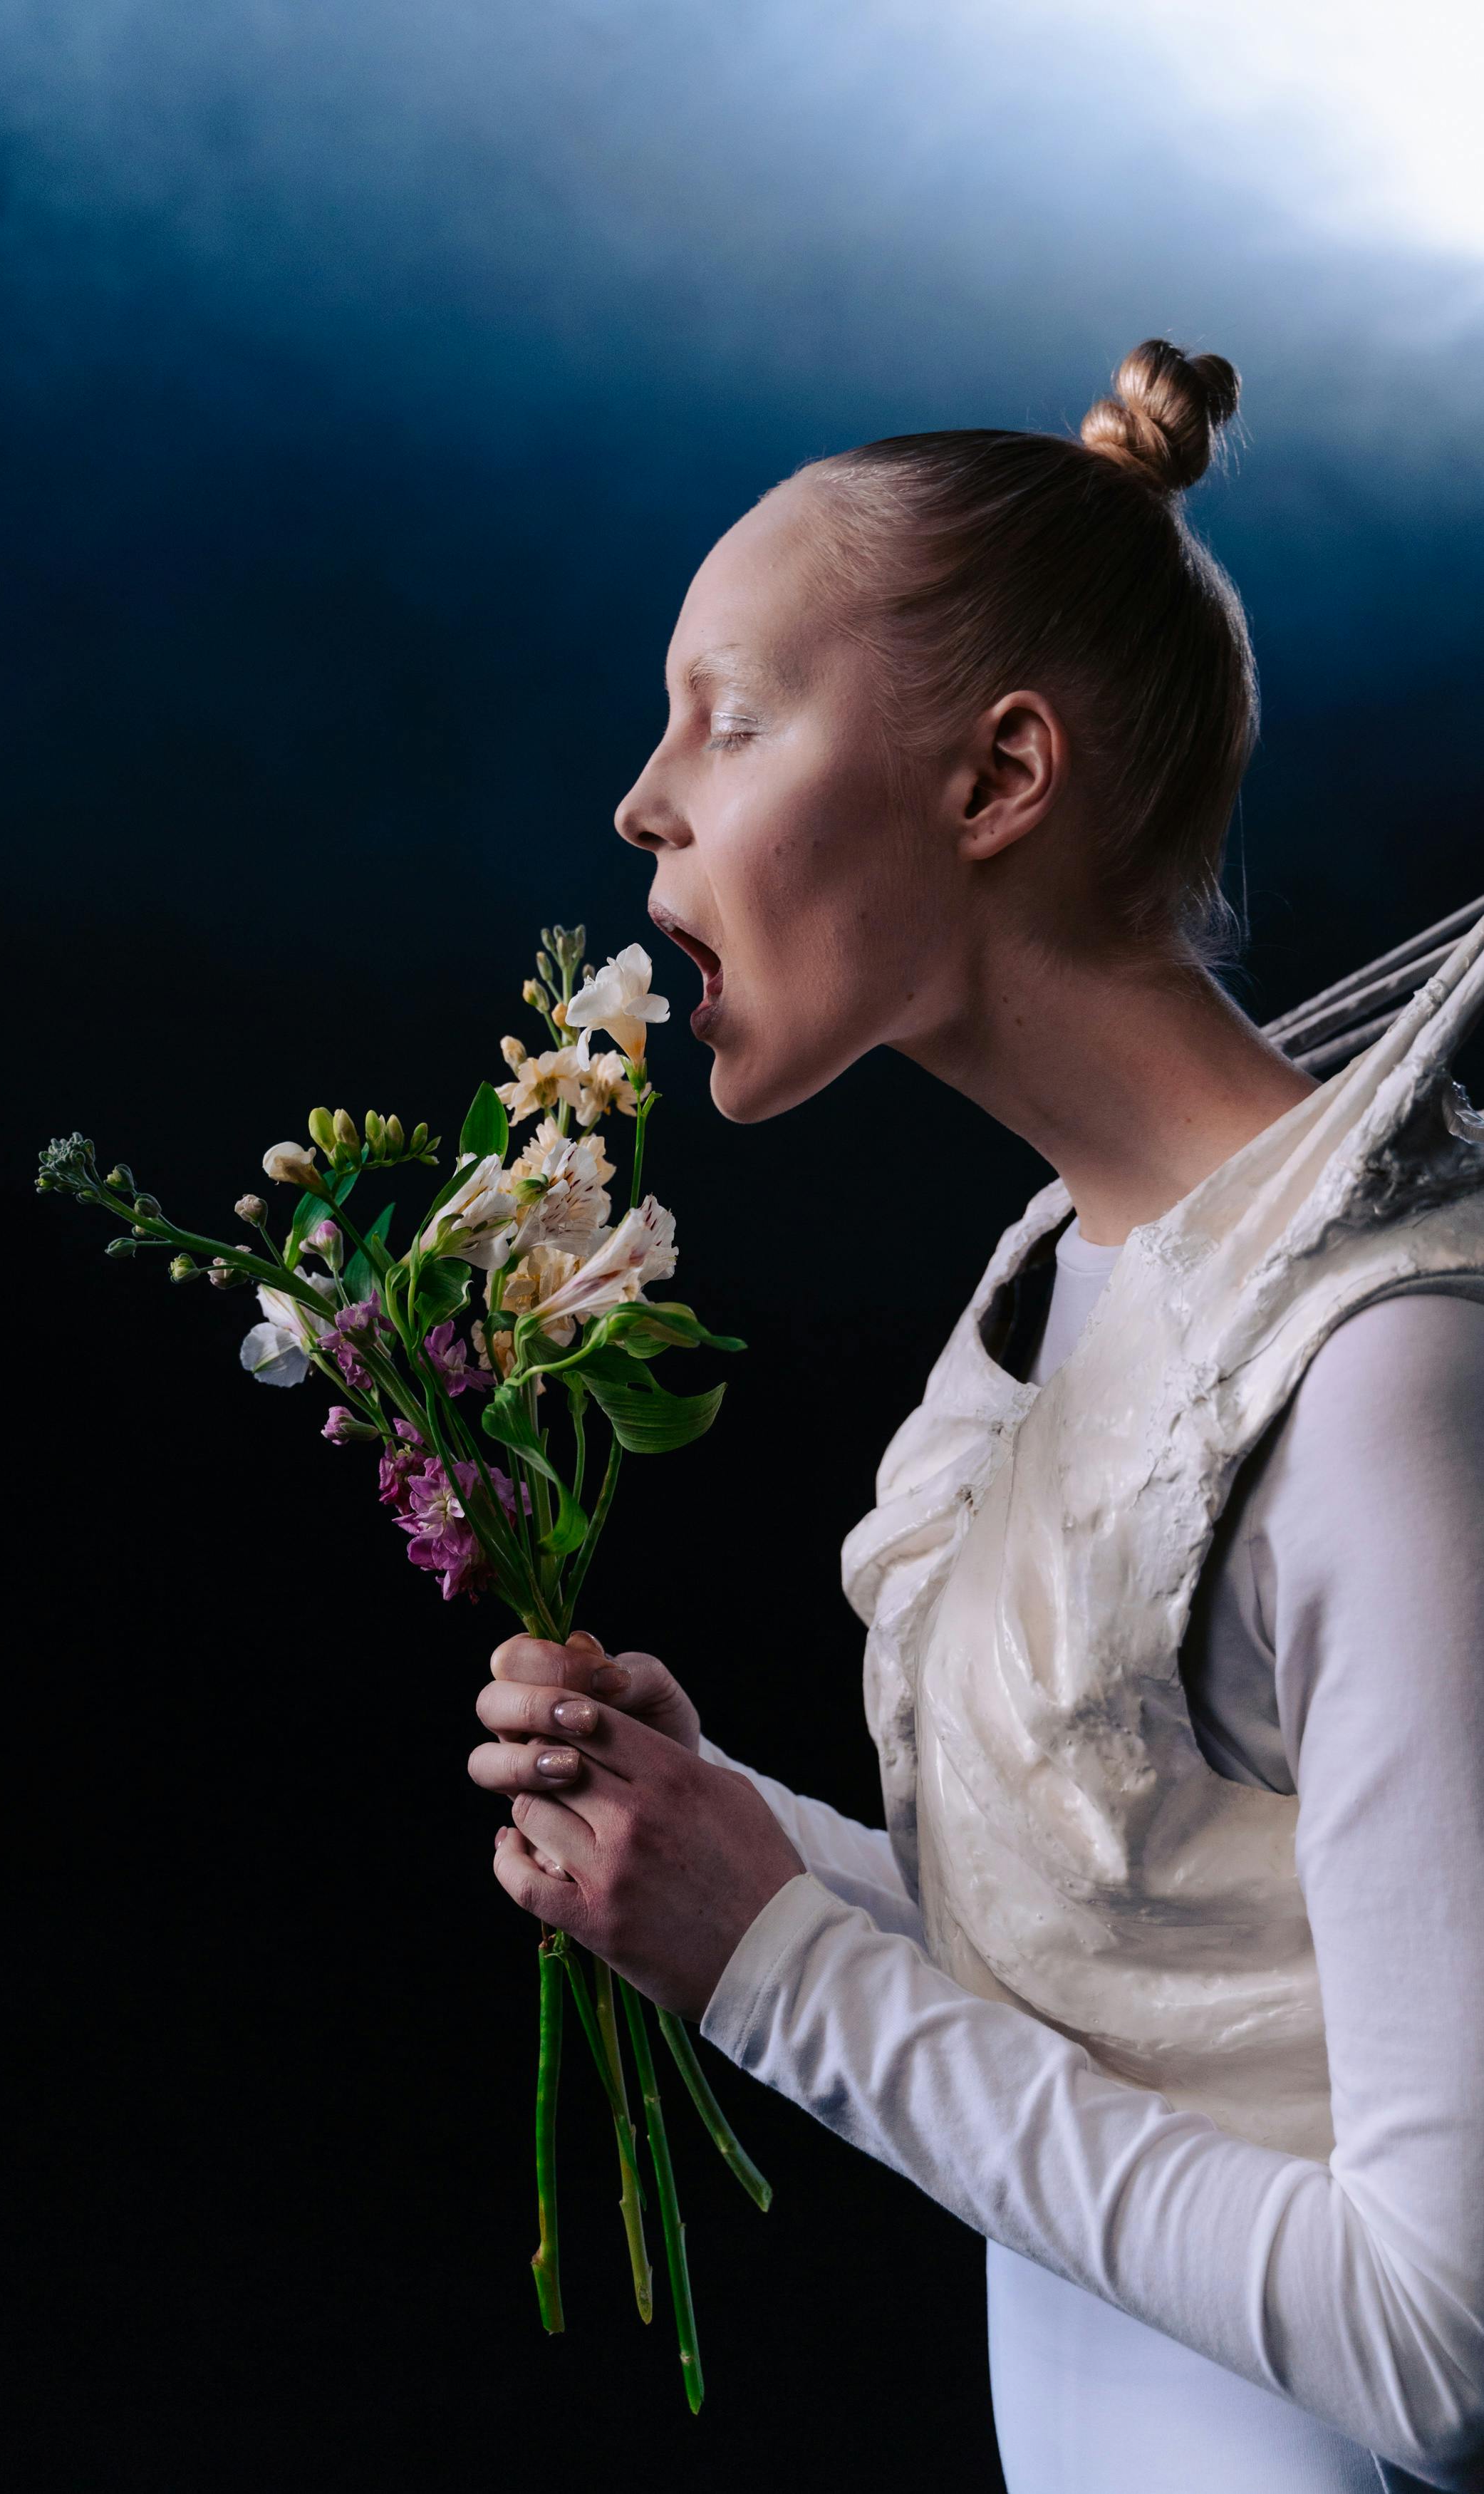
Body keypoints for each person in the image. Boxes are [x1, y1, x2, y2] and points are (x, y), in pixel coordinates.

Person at [465, 340, 1484, 2493]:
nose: (647, 800)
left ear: (996, 778)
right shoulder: (1063, 1286)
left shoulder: (1386, 1377)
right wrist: (724, 1834)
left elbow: (1444, 2341)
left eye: (730, 715)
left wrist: (777, 1969)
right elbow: (1167, 1993)